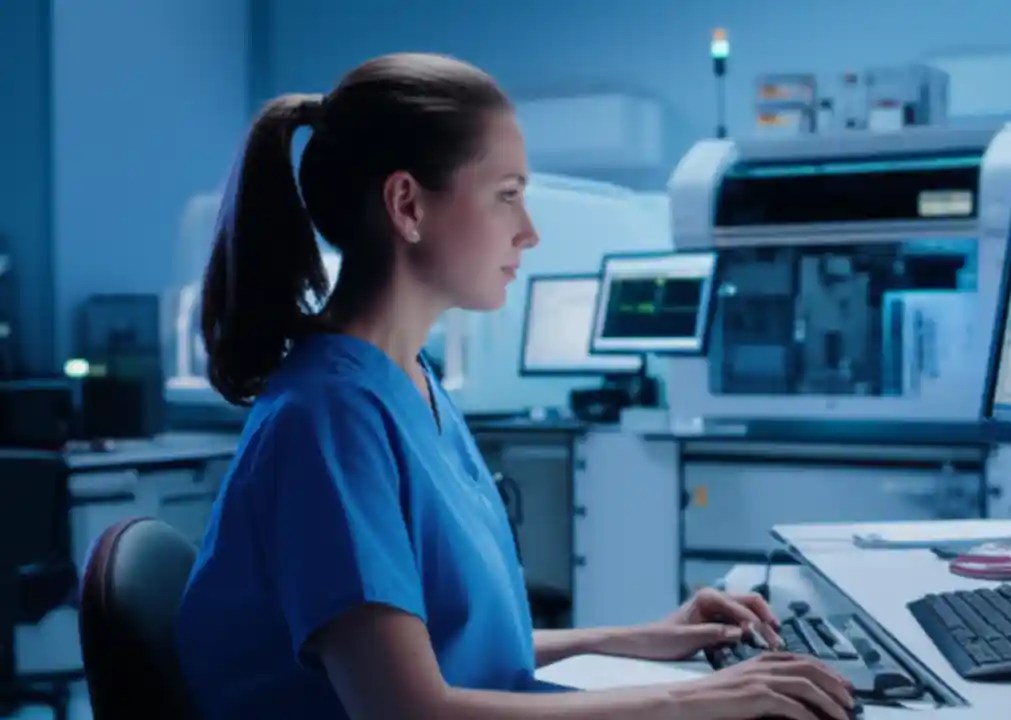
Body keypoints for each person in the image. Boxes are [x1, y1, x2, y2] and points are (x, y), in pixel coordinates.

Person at [176, 52, 856, 720]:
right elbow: (408, 708)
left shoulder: (412, 386)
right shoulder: (328, 419)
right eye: (507, 196)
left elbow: (447, 652)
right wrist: (698, 697)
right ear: (407, 205)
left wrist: (638, 639)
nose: (528, 232)